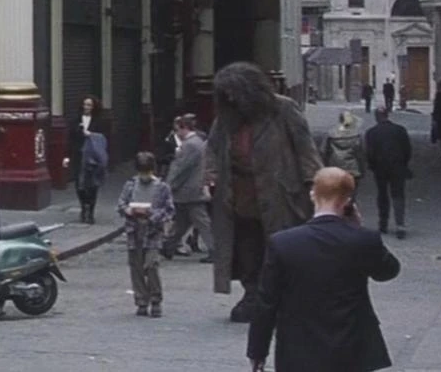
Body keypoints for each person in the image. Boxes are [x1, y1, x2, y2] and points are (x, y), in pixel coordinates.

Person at [246, 167, 400, 372]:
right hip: (351, 346)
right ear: (348, 201)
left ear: (312, 195)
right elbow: (388, 271)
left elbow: (267, 302)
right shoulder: (363, 239)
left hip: (299, 347)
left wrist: (258, 351)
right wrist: (358, 227)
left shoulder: (283, 243)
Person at [205, 61, 322, 323]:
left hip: (280, 195)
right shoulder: (227, 116)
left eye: (234, 92)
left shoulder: (282, 109)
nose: (231, 98)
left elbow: (306, 149)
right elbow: (212, 148)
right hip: (239, 196)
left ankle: (285, 299)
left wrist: (317, 186)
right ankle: (252, 295)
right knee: (247, 251)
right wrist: (210, 176)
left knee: (281, 249)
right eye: (226, 94)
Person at [116, 151, 175, 317]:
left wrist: (152, 215)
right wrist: (129, 210)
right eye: (142, 172)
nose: (144, 176)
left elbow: (169, 210)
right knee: (136, 267)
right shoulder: (130, 185)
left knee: (151, 265)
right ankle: (141, 300)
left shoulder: (162, 187)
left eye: (147, 172)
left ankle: (156, 299)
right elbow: (121, 204)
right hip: (134, 231)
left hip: (153, 232)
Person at [163, 114, 214, 263]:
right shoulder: (198, 142)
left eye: (177, 129)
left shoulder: (189, 145)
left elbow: (181, 168)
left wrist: (169, 185)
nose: (176, 133)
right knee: (182, 221)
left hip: (188, 190)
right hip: (191, 189)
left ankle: (214, 249)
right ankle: (169, 246)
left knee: (201, 221)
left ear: (184, 128)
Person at [365, 107, 412, 238]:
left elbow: (369, 153)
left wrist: (372, 165)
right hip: (397, 166)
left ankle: (383, 223)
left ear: (376, 117)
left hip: (380, 167)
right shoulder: (400, 130)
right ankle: (400, 224)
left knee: (382, 195)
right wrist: (404, 163)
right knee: (398, 195)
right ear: (387, 115)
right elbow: (407, 149)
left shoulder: (371, 133)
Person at [63, 95, 108, 224]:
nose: (87, 107)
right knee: (79, 185)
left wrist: (91, 135)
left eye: (89, 105)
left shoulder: (100, 121)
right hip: (78, 156)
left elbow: (103, 138)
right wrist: (66, 156)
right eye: (85, 104)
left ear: (94, 107)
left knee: (93, 185)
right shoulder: (75, 121)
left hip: (93, 157)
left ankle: (91, 212)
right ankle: (84, 207)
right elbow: (70, 139)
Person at [323, 111, 365, 186]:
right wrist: (362, 169)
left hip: (335, 167)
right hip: (352, 168)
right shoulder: (356, 134)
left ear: (340, 119)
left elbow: (323, 151)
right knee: (351, 193)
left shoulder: (331, 133)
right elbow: (360, 153)